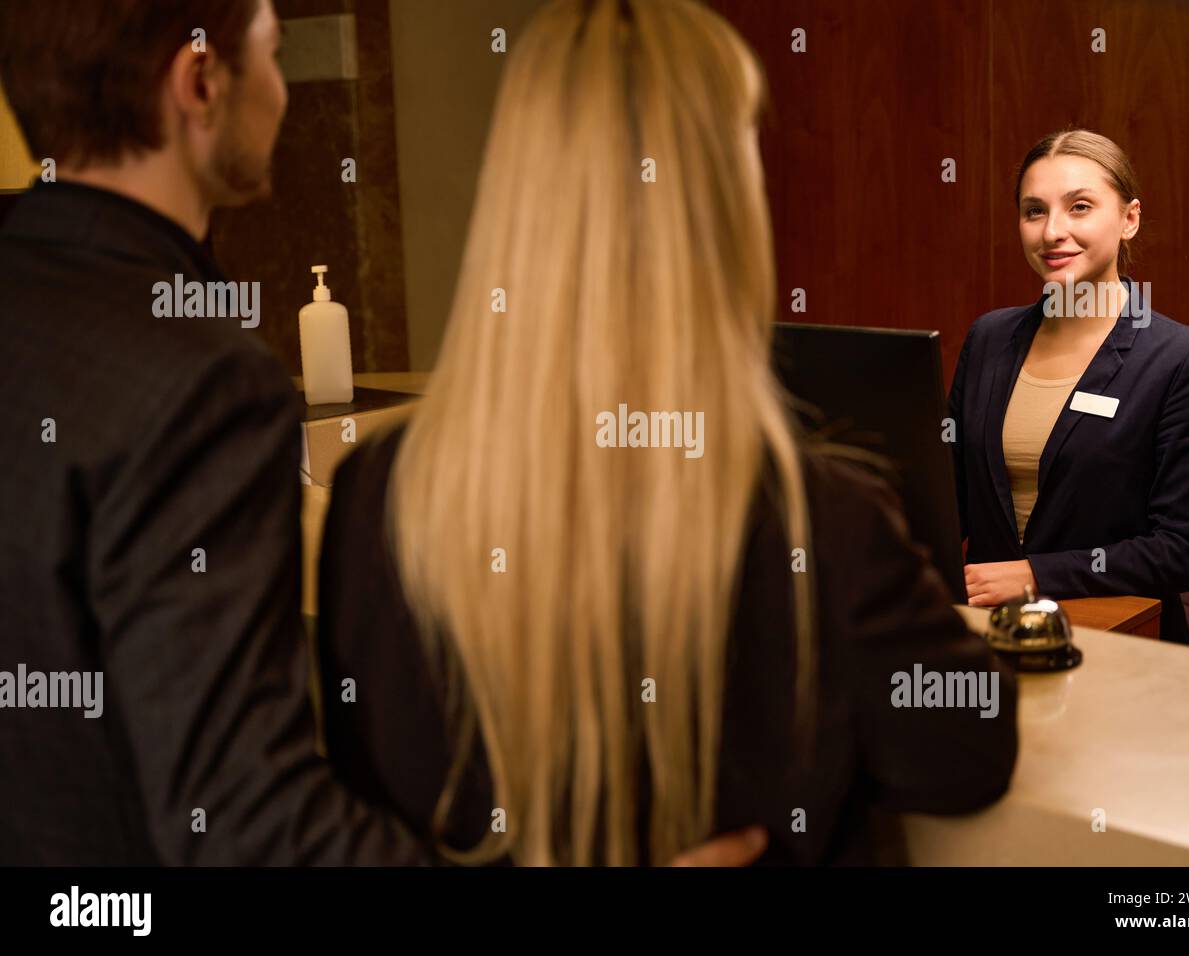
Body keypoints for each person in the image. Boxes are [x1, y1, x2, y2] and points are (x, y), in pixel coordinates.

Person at [0, 0, 759, 867]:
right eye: (274, 55)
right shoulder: (199, 383)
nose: (284, 94)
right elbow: (244, 826)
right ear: (201, 82)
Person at [317, 0, 1018, 867]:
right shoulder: (818, 521)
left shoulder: (377, 494)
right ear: (722, 206)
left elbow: (357, 805)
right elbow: (969, 751)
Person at [949, 129, 1189, 644]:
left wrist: (1034, 575)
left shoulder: (1183, 360)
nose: (1052, 231)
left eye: (1079, 207)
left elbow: (1186, 549)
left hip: (1118, 646)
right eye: (1034, 211)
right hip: (987, 642)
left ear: (1130, 219)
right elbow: (950, 500)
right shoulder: (988, 338)